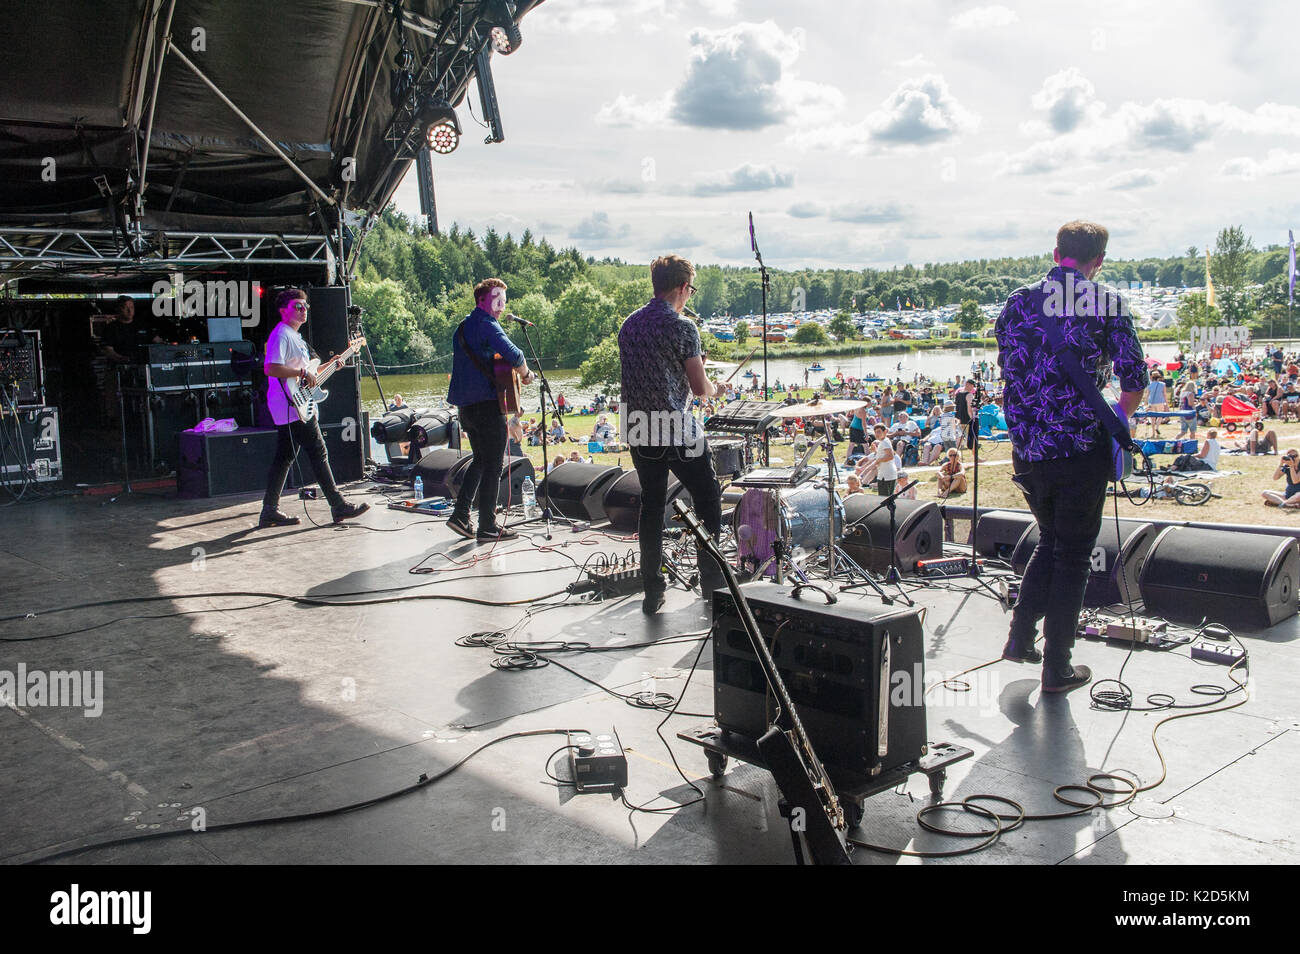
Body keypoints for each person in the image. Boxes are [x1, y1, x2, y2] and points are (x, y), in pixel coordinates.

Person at [994, 220, 1148, 694]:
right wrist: (1117, 419)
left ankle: (1021, 638)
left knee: (1051, 539)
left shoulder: (1018, 301)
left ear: (1056, 250)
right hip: (1080, 448)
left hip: (1028, 450)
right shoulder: (1106, 302)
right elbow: (1135, 378)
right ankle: (1057, 666)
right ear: (1097, 261)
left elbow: (1010, 367)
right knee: (1074, 553)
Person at [618, 254, 725, 613]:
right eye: (690, 289)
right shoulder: (683, 328)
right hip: (673, 426)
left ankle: (653, 589)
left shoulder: (629, 324)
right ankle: (712, 584)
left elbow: (653, 371)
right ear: (682, 287)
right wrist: (715, 387)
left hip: (636, 425)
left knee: (651, 505)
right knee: (708, 499)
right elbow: (698, 388)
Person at [258, 288, 370, 528]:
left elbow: (310, 373)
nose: (303, 310)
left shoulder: (297, 338)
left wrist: (330, 365)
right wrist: (301, 372)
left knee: (285, 457)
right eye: (297, 306)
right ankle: (338, 505)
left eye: (305, 306)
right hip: (291, 405)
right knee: (318, 452)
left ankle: (269, 510)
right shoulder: (281, 335)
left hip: (294, 404)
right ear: (283, 310)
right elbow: (270, 368)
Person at [446, 277, 535, 542]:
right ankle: (487, 526)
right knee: (494, 465)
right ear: (482, 300)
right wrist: (526, 375)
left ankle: (461, 515)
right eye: (497, 300)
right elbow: (513, 354)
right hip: (486, 406)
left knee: (481, 460)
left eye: (503, 301)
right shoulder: (487, 324)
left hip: (467, 409)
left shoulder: (463, 326)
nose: (501, 306)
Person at [870, 423, 898, 496]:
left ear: (885, 432)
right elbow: (883, 455)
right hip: (885, 473)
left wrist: (878, 461)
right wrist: (875, 450)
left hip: (886, 475)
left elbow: (890, 456)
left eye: (879, 432)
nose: (877, 434)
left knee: (884, 498)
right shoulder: (884, 441)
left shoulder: (885, 442)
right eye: (875, 432)